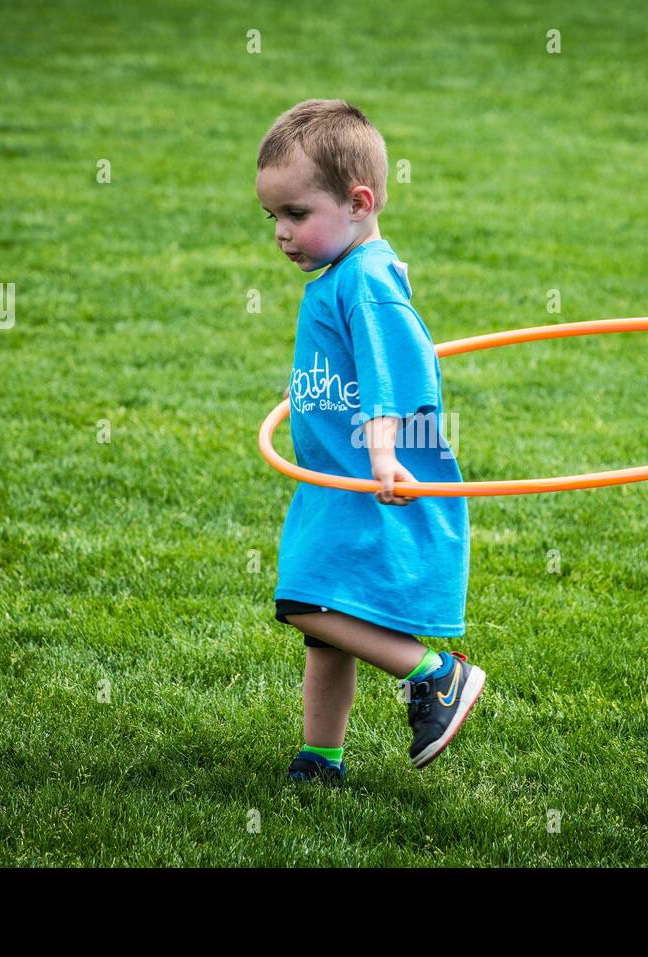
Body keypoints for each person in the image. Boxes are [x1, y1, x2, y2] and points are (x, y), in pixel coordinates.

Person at [255, 99, 485, 781]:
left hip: (373, 486)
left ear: (357, 202)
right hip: (334, 483)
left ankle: (438, 673)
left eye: (297, 215)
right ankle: (321, 756)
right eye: (273, 217)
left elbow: (394, 377)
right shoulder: (349, 272)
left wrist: (383, 455)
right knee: (325, 625)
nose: (281, 234)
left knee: (306, 602)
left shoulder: (367, 279)